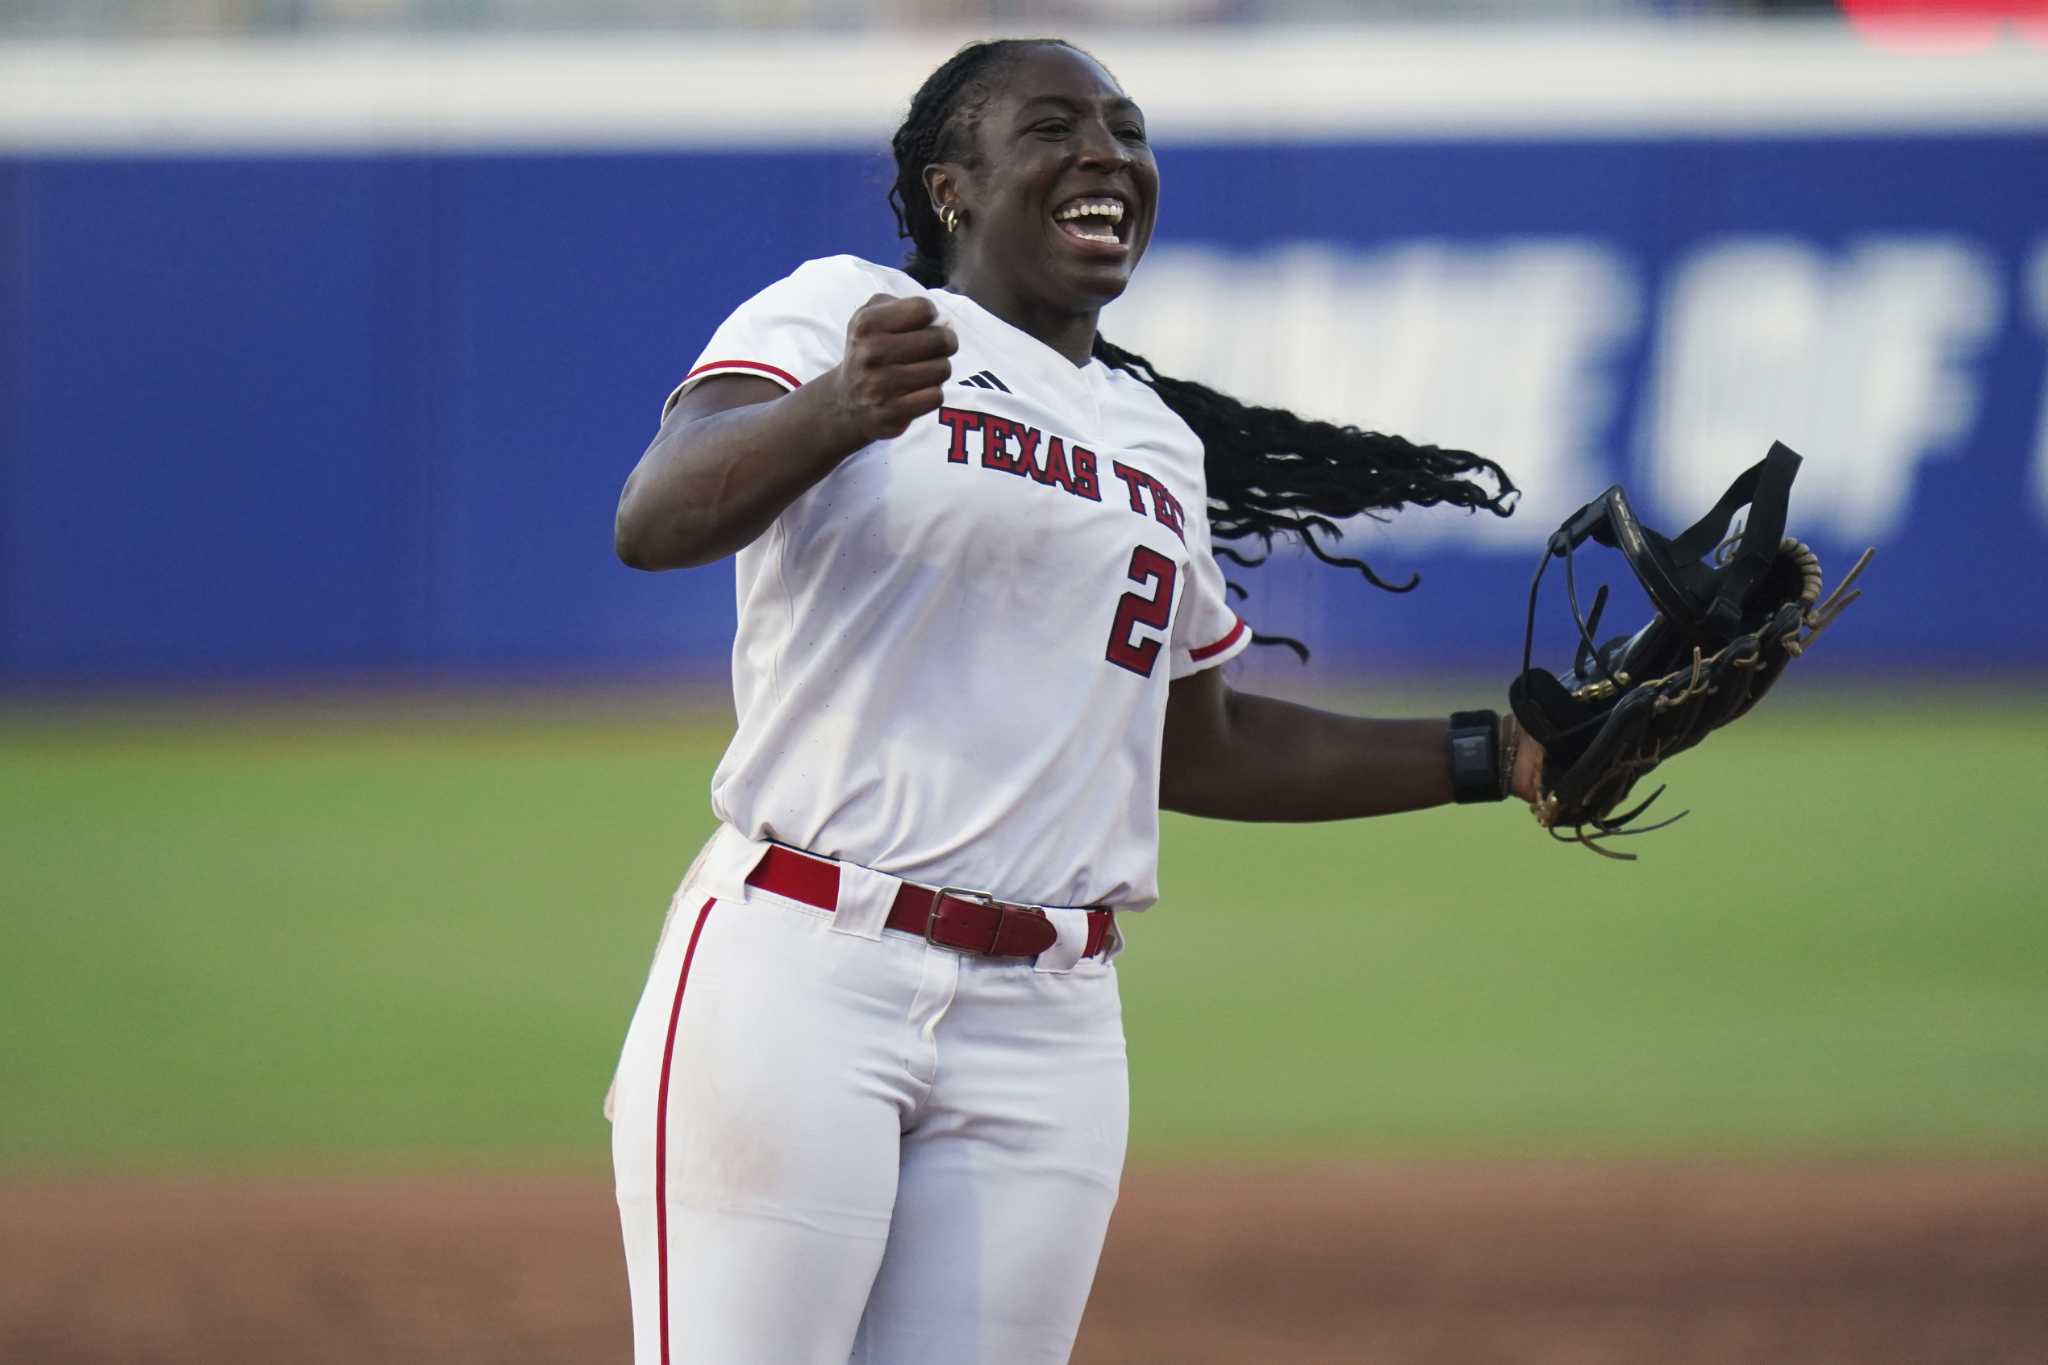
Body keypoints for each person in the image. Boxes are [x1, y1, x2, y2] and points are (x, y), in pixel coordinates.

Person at [605, 37, 1542, 1365]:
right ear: (953, 189)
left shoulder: (1153, 438)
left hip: (1046, 1024)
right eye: (1054, 127)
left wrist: (1488, 754)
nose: (1107, 155)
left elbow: (1196, 740)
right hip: (805, 970)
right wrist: (835, 408)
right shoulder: (848, 311)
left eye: (1129, 130)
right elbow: (655, 516)